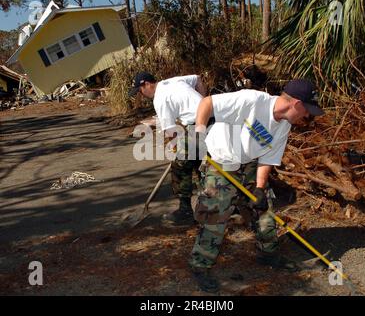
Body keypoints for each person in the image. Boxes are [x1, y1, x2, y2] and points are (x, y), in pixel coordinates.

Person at [189, 79, 325, 292]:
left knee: (264, 210)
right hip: (221, 160)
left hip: (250, 163)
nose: (306, 117)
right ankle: (200, 265)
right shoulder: (251, 100)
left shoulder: (284, 126)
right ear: (297, 104)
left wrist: (260, 189)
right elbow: (207, 102)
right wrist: (198, 133)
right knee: (216, 215)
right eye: (307, 111)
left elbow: (268, 158)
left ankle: (268, 254)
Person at [129, 72, 208, 225]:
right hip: (210, 119)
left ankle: (185, 210)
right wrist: (204, 103)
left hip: (198, 127)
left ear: (146, 84)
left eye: (140, 90)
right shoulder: (171, 81)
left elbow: (171, 131)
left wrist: (175, 149)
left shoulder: (160, 99)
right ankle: (210, 204)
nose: (141, 94)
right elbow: (197, 78)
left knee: (179, 165)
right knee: (200, 164)